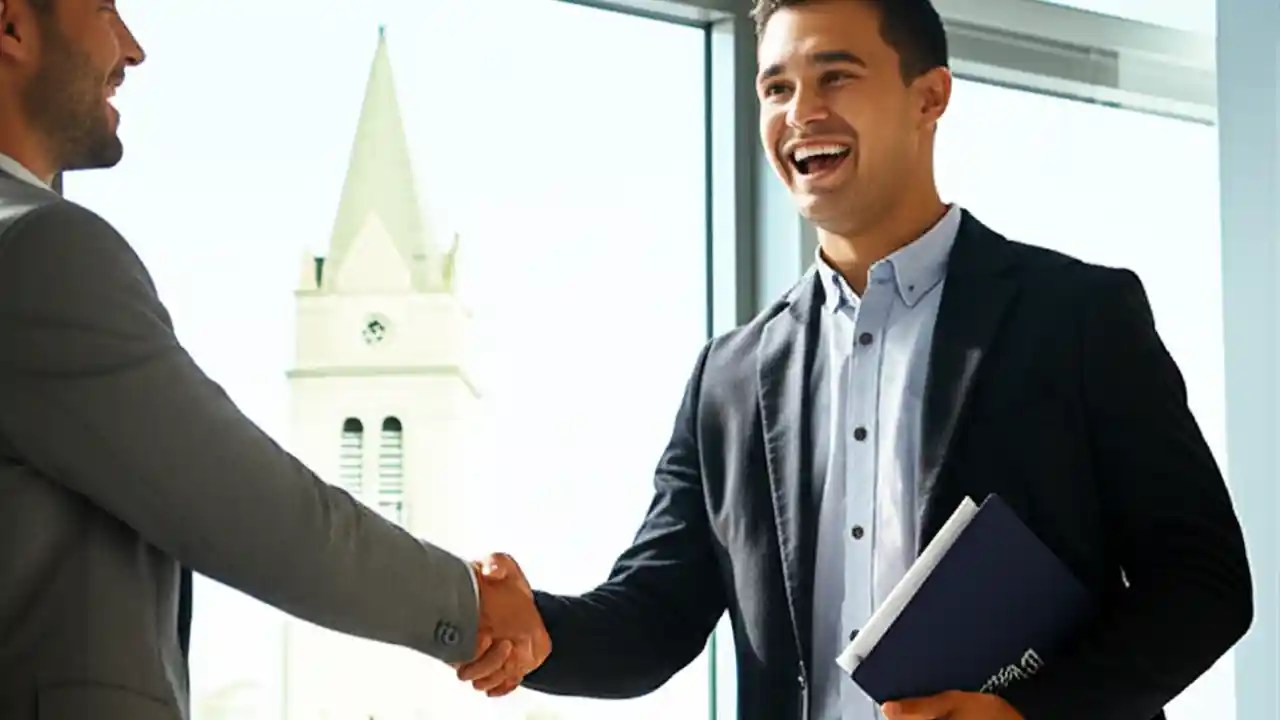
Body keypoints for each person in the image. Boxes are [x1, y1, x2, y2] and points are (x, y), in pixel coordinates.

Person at [454, 0, 1253, 718]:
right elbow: (654, 617)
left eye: (835, 76)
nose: (801, 112)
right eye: (776, 88)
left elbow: (1203, 587)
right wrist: (540, 632)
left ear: (929, 97)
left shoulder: (1077, 317)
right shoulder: (727, 379)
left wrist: (1028, 717)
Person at [0, 1, 547, 718]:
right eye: (103, 9)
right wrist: (468, 605)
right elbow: (237, 501)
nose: (133, 50)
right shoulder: (40, 249)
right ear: (11, 25)